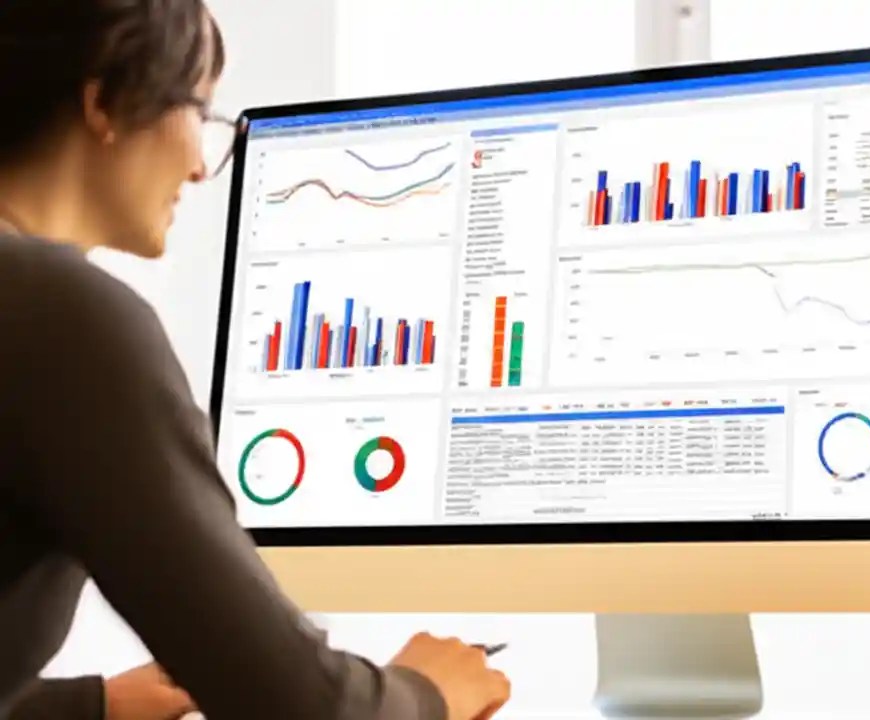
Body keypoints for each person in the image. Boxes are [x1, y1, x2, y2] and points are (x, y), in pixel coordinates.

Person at [0, 1, 511, 718]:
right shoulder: (60, 317)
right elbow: (295, 707)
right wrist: (429, 693)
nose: (203, 164)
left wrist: (98, 705)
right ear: (106, 103)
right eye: (198, 114)